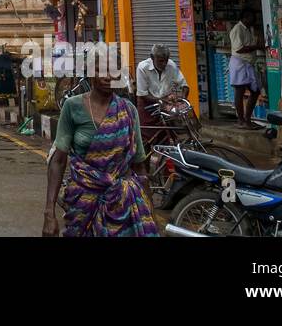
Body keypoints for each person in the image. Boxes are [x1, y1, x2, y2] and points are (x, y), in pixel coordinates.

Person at [43, 49, 156, 237]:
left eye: (114, 70)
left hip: (124, 203)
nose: (108, 76)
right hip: (83, 201)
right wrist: (49, 212)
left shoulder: (128, 111)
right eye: (100, 70)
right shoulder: (73, 106)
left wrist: (148, 210)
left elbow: (139, 165)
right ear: (89, 72)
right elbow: (58, 160)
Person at [135, 44, 189, 130]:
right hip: (147, 104)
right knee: (147, 133)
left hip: (166, 103)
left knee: (169, 132)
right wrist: (163, 100)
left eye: (166, 61)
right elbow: (143, 94)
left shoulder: (171, 65)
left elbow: (184, 85)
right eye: (160, 61)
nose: (164, 64)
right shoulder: (142, 67)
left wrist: (182, 99)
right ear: (152, 57)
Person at [230, 9, 264, 130]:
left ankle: (246, 119)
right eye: (252, 17)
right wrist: (256, 47)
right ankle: (241, 120)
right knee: (239, 91)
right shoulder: (237, 29)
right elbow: (239, 49)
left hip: (247, 63)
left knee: (255, 91)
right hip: (239, 63)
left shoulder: (248, 29)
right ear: (246, 17)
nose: (253, 20)